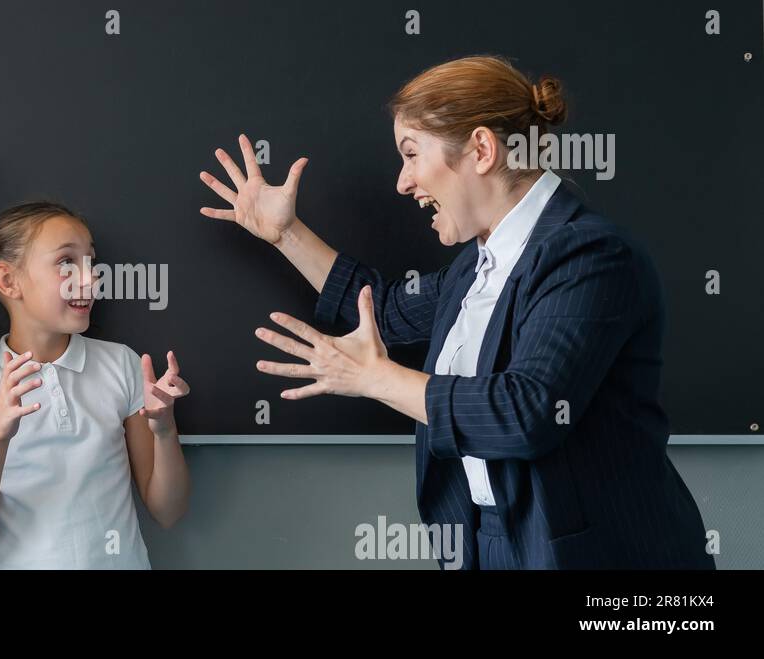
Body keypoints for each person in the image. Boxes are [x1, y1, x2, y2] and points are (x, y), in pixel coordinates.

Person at [198, 55, 712, 569]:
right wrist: (286, 234)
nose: (403, 182)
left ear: (482, 150)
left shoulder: (590, 255)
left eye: (412, 154)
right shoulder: (475, 267)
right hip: (491, 540)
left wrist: (372, 378)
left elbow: (528, 410)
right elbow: (388, 309)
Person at [0, 202, 190, 569]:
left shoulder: (121, 364)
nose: (89, 279)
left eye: (91, 262)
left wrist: (165, 429)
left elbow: (168, 511)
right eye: (66, 263)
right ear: (9, 281)